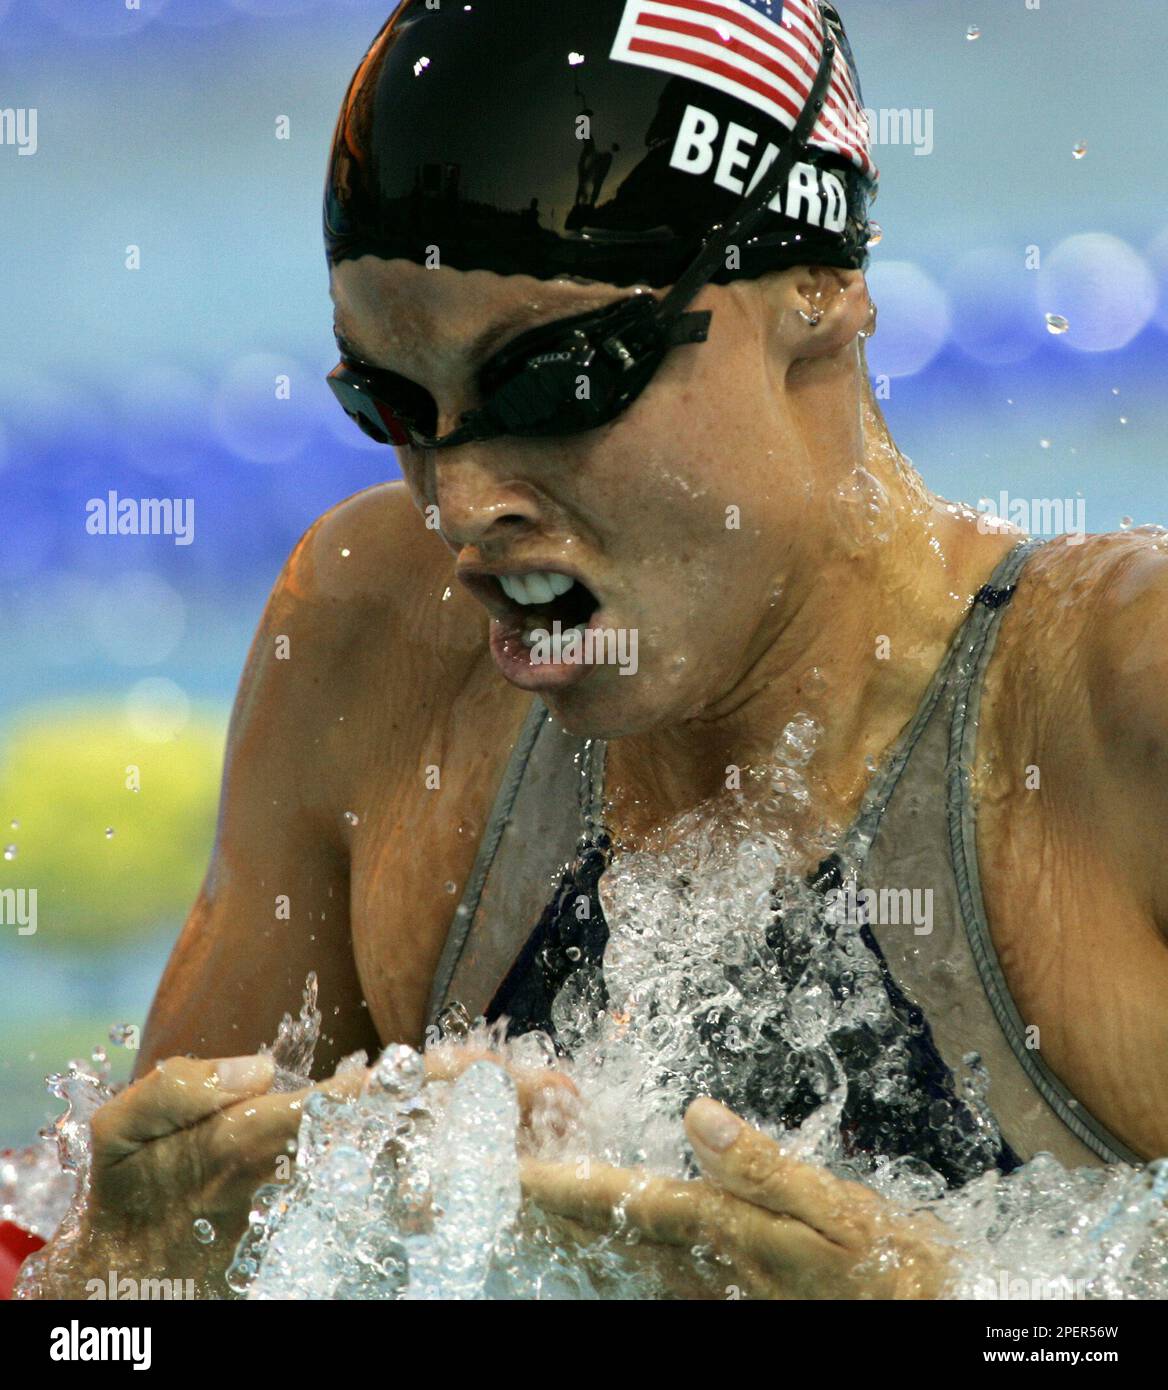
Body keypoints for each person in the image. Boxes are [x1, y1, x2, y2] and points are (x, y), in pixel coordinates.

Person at [22, 0, 1168, 1300]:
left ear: (820, 292)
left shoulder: (1117, 715)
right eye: (395, 406)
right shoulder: (369, 651)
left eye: (556, 381)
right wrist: (114, 1282)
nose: (459, 500)